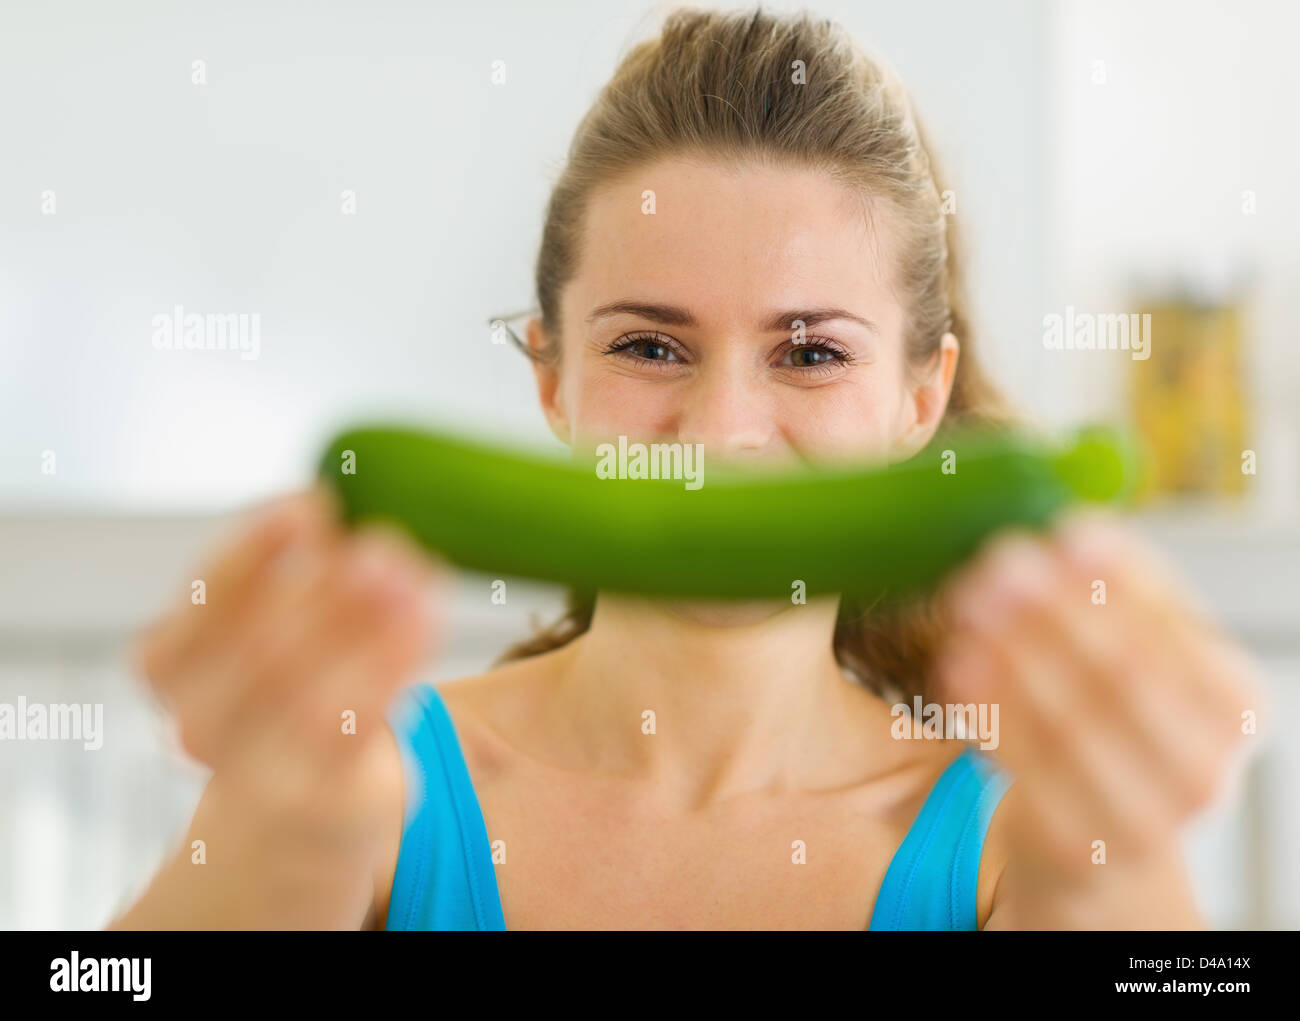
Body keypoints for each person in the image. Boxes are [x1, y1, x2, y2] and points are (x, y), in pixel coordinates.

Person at [107, 7, 1264, 930]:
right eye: (648, 346)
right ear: (550, 379)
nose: (721, 435)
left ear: (923, 396)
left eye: (809, 352)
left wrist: (1120, 879)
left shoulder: (1018, 835)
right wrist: (263, 863)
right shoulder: (360, 784)